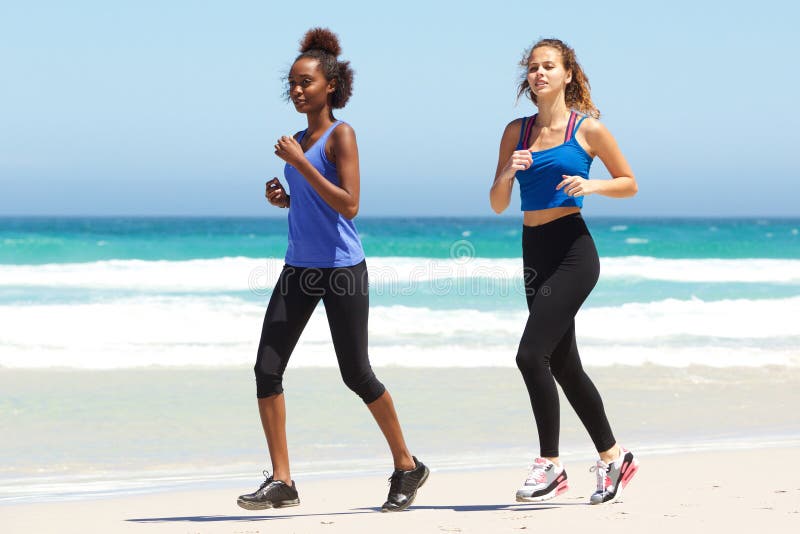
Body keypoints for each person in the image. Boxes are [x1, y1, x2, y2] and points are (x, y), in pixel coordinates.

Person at [237, 28, 428, 513]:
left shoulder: (340, 135)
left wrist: (300, 166)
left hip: (342, 270)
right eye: (293, 83)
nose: (297, 90)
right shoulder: (299, 141)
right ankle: (283, 481)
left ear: (330, 86)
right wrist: (286, 197)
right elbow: (314, 202)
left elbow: (350, 204)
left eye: (306, 82)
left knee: (357, 374)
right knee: (266, 370)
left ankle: (407, 465)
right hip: (298, 267)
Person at [489, 38, 640, 505]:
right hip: (533, 249)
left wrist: (591, 186)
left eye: (549, 66)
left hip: (574, 250)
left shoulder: (588, 129)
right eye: (533, 67)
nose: (540, 74)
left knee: (531, 355)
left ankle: (550, 464)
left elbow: (629, 183)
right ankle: (614, 457)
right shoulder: (516, 131)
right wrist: (508, 174)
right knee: (565, 365)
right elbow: (497, 204)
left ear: (567, 74)